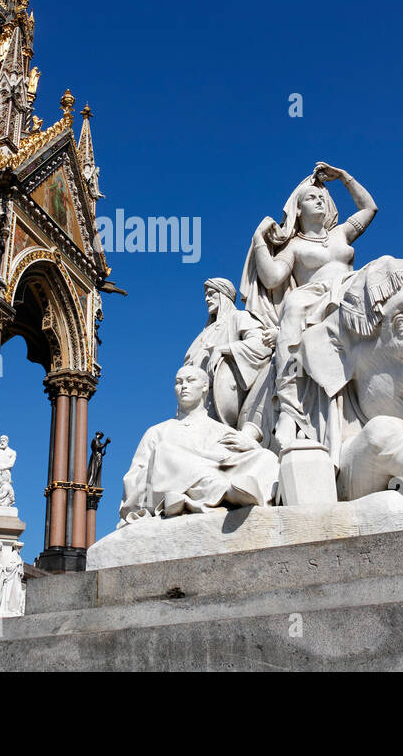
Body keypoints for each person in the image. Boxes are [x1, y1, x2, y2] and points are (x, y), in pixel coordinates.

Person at [241, 163, 378, 462]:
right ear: (298, 210)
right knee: (293, 305)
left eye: (321, 197)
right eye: (310, 198)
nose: (319, 200)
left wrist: (343, 176)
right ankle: (289, 407)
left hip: (350, 288)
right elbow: (273, 279)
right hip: (313, 299)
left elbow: (369, 207)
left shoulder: (341, 234)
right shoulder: (294, 246)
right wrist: (258, 243)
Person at [118, 366, 279, 526]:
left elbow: (229, 463)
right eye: (178, 382)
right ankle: (223, 491)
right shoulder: (158, 431)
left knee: (267, 457)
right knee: (164, 451)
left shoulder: (222, 430)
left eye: (190, 380)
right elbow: (134, 479)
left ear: (204, 387)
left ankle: (211, 494)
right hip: (173, 483)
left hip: (218, 471)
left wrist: (251, 445)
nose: (184, 386)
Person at [182, 277, 275, 431]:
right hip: (194, 403)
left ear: (224, 295)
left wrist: (223, 349)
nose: (207, 298)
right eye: (206, 295)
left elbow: (262, 344)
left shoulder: (240, 317)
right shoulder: (203, 334)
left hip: (220, 400)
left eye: (212, 294)